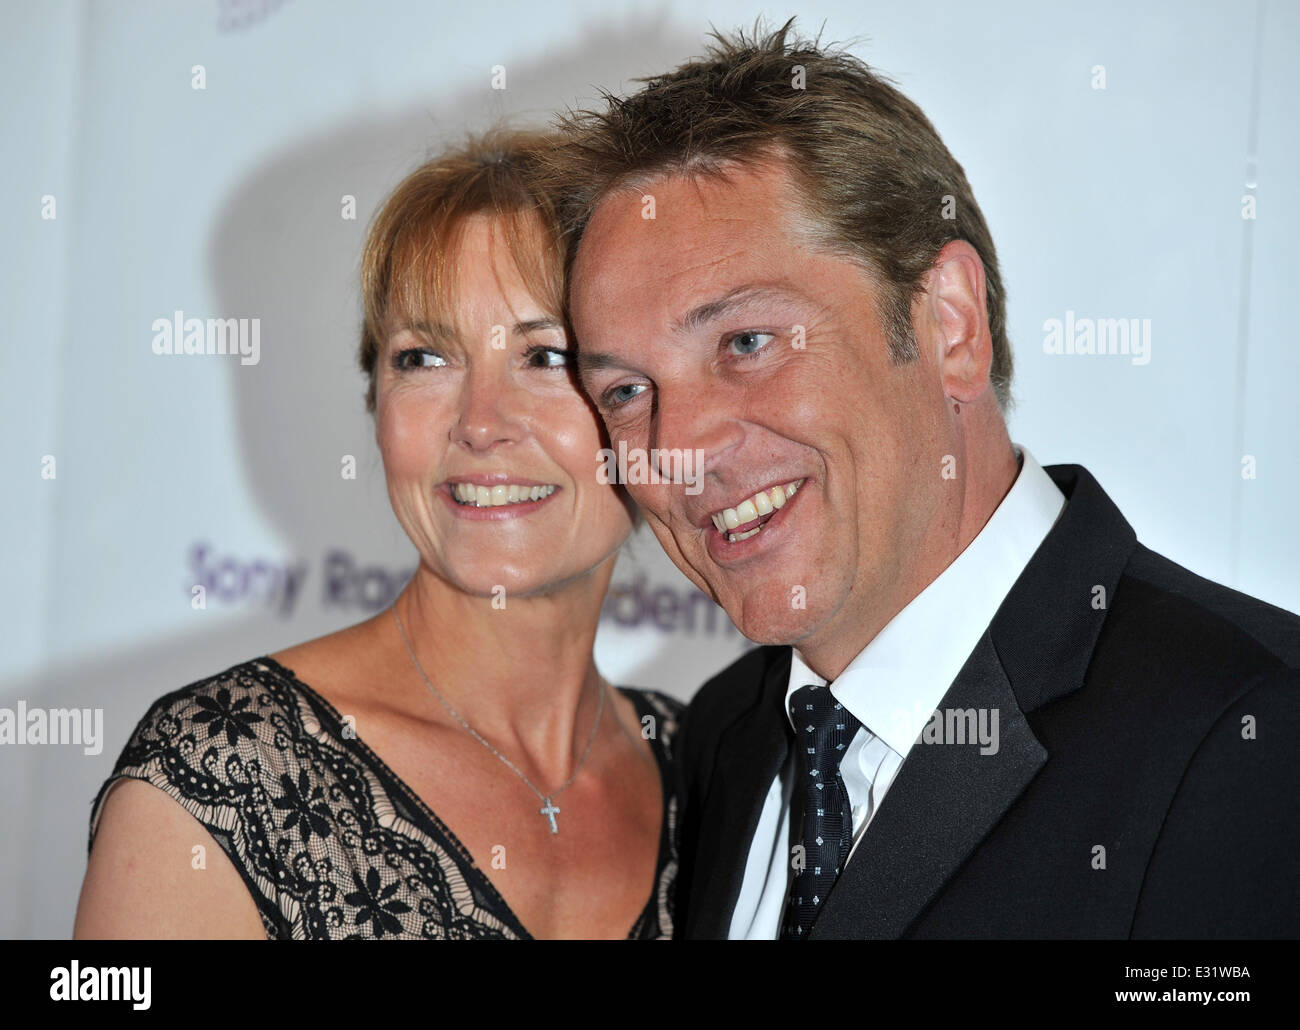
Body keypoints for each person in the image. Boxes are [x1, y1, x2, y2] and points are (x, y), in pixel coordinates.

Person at [547, 20, 1300, 938]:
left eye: (746, 342)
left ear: (949, 324)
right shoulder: (726, 738)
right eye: (627, 390)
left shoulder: (1252, 734)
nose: (681, 447)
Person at [74, 128, 681, 940]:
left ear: (641, 400)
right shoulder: (223, 774)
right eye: (425, 358)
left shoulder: (721, 772)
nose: (480, 423)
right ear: (374, 402)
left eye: (544, 356)